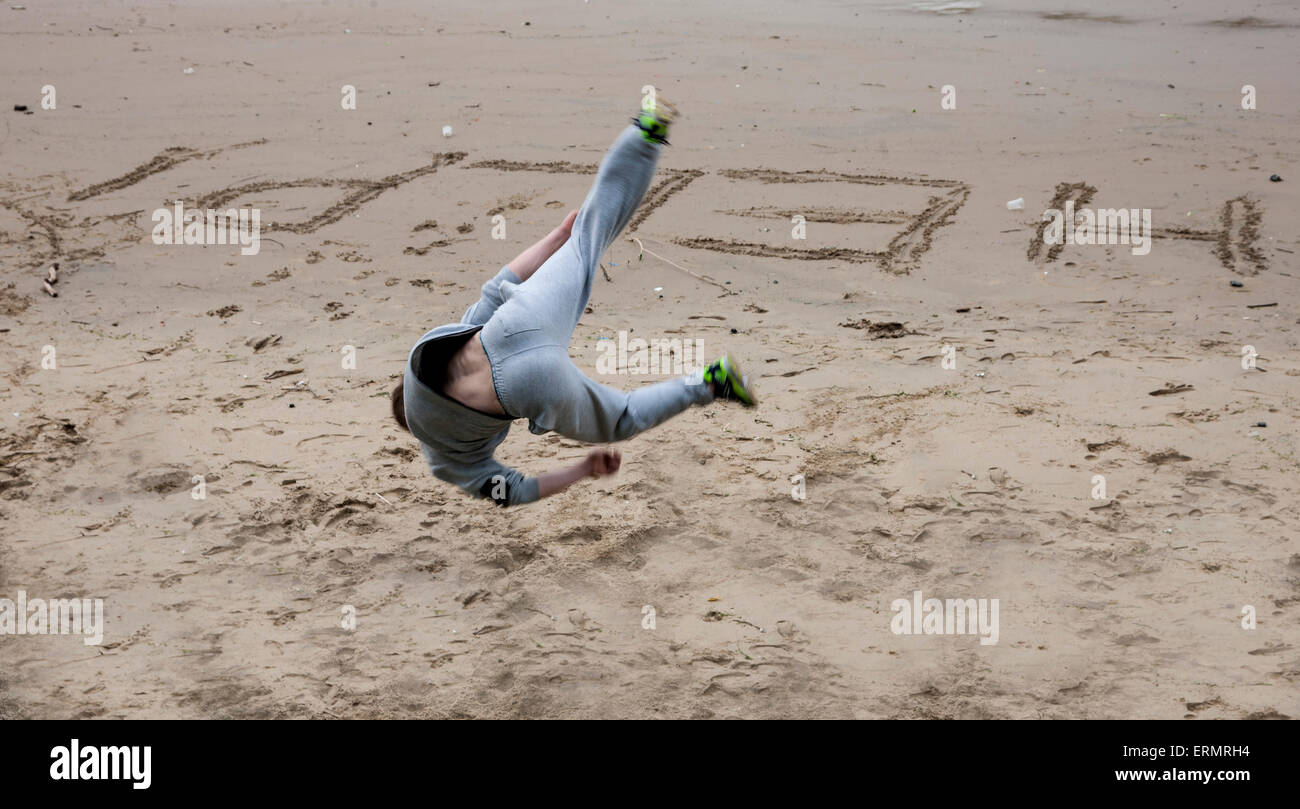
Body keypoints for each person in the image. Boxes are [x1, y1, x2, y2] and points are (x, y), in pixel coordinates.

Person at [391, 101, 756, 507]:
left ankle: (712, 381)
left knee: (622, 417)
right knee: (590, 234)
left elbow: (513, 491)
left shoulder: (442, 456)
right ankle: (644, 134)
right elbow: (499, 286)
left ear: (415, 426)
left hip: (529, 386)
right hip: (514, 325)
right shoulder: (431, 358)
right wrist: (559, 236)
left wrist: (583, 469)